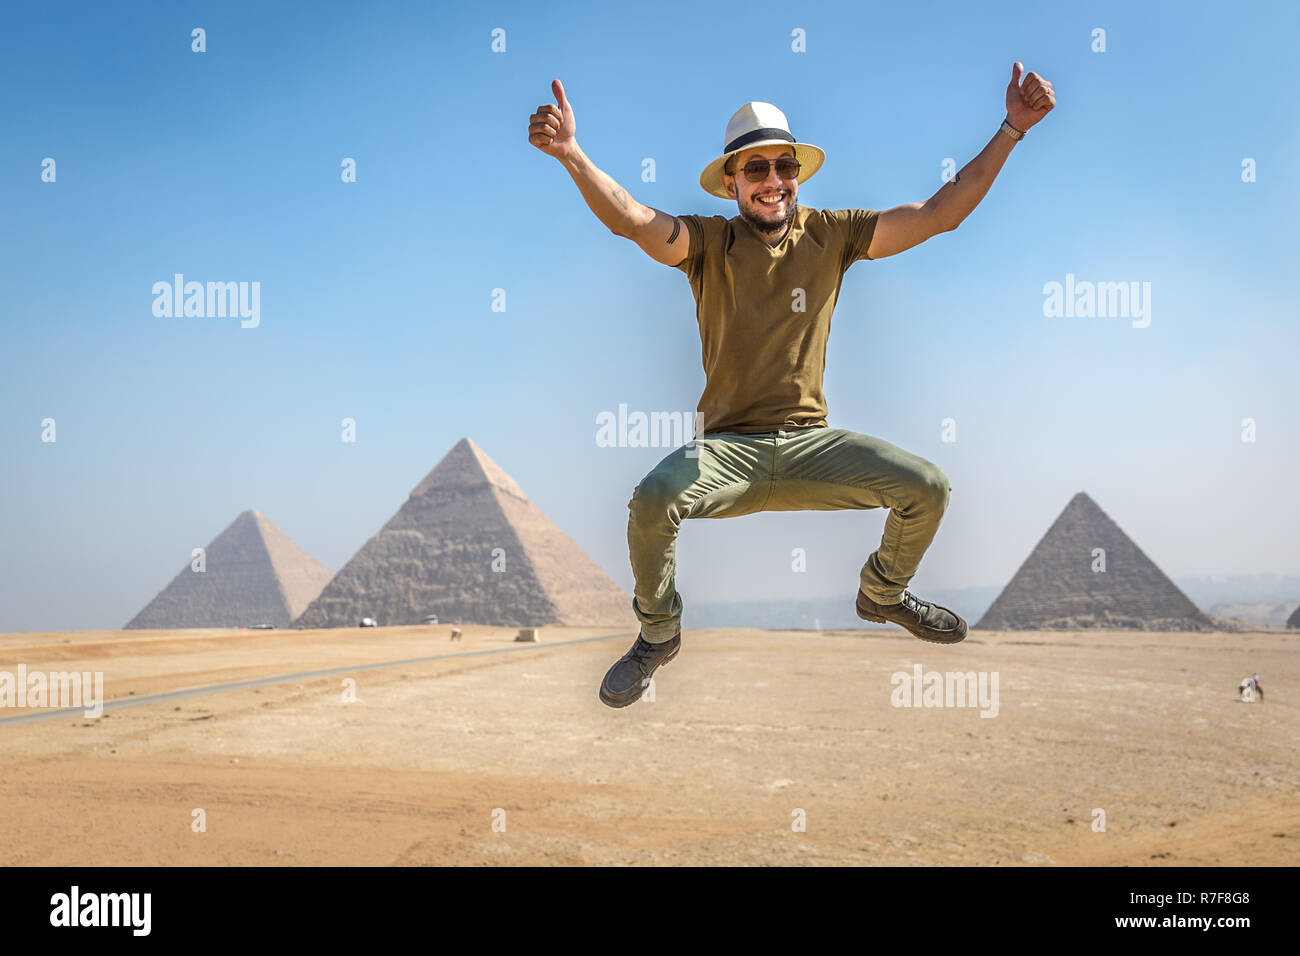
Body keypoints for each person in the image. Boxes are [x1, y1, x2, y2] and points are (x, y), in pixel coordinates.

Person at [527, 66, 1056, 708]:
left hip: (810, 445)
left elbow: (940, 213)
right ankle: (659, 633)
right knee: (651, 500)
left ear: (797, 173)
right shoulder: (707, 242)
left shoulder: (834, 234)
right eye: (756, 170)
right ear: (731, 183)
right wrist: (571, 155)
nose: (773, 181)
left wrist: (1011, 131)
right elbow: (634, 220)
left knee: (928, 487)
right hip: (728, 451)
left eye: (784, 166)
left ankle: (883, 593)